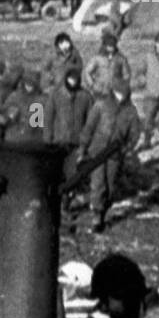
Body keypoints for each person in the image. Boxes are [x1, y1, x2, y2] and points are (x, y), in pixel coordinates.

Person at [64, 76, 141, 234]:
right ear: (113, 92)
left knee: (110, 187)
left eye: (123, 94)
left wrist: (126, 149)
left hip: (115, 155)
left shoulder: (131, 112)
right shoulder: (100, 106)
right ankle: (97, 216)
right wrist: (83, 148)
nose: (120, 97)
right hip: (97, 151)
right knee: (97, 184)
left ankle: (104, 209)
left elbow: (134, 134)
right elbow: (89, 128)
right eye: (118, 93)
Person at [0, 67, 47, 144]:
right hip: (13, 138)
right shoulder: (14, 96)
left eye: (32, 84)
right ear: (23, 82)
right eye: (27, 83)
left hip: (34, 140)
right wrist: (3, 117)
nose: (29, 86)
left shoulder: (42, 100)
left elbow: (46, 123)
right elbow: (1, 117)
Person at [44, 64, 91, 149]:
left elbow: (90, 121)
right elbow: (48, 118)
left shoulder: (86, 96)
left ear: (79, 80)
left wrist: (86, 141)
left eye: (75, 80)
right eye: (70, 79)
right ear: (66, 79)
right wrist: (47, 138)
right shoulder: (56, 94)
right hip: (58, 141)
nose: (72, 82)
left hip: (77, 142)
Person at [84, 30, 130, 97]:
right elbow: (87, 72)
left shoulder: (121, 59)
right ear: (105, 45)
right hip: (99, 91)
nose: (111, 47)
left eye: (112, 45)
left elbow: (126, 75)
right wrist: (92, 85)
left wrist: (122, 87)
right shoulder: (97, 58)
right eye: (109, 45)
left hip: (115, 92)